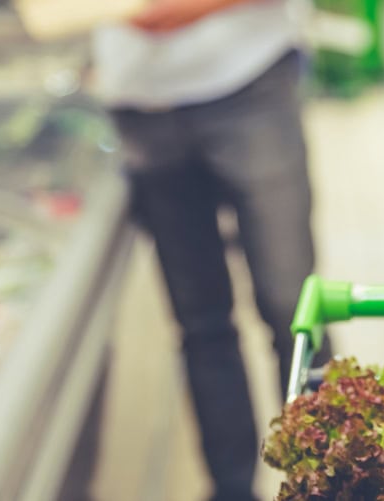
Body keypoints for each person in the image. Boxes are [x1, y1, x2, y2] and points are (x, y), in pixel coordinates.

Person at [89, 1, 330, 499]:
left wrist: (175, 8)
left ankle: (328, 479)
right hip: (141, 105)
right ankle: (231, 486)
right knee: (200, 323)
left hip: (250, 83)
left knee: (294, 307)